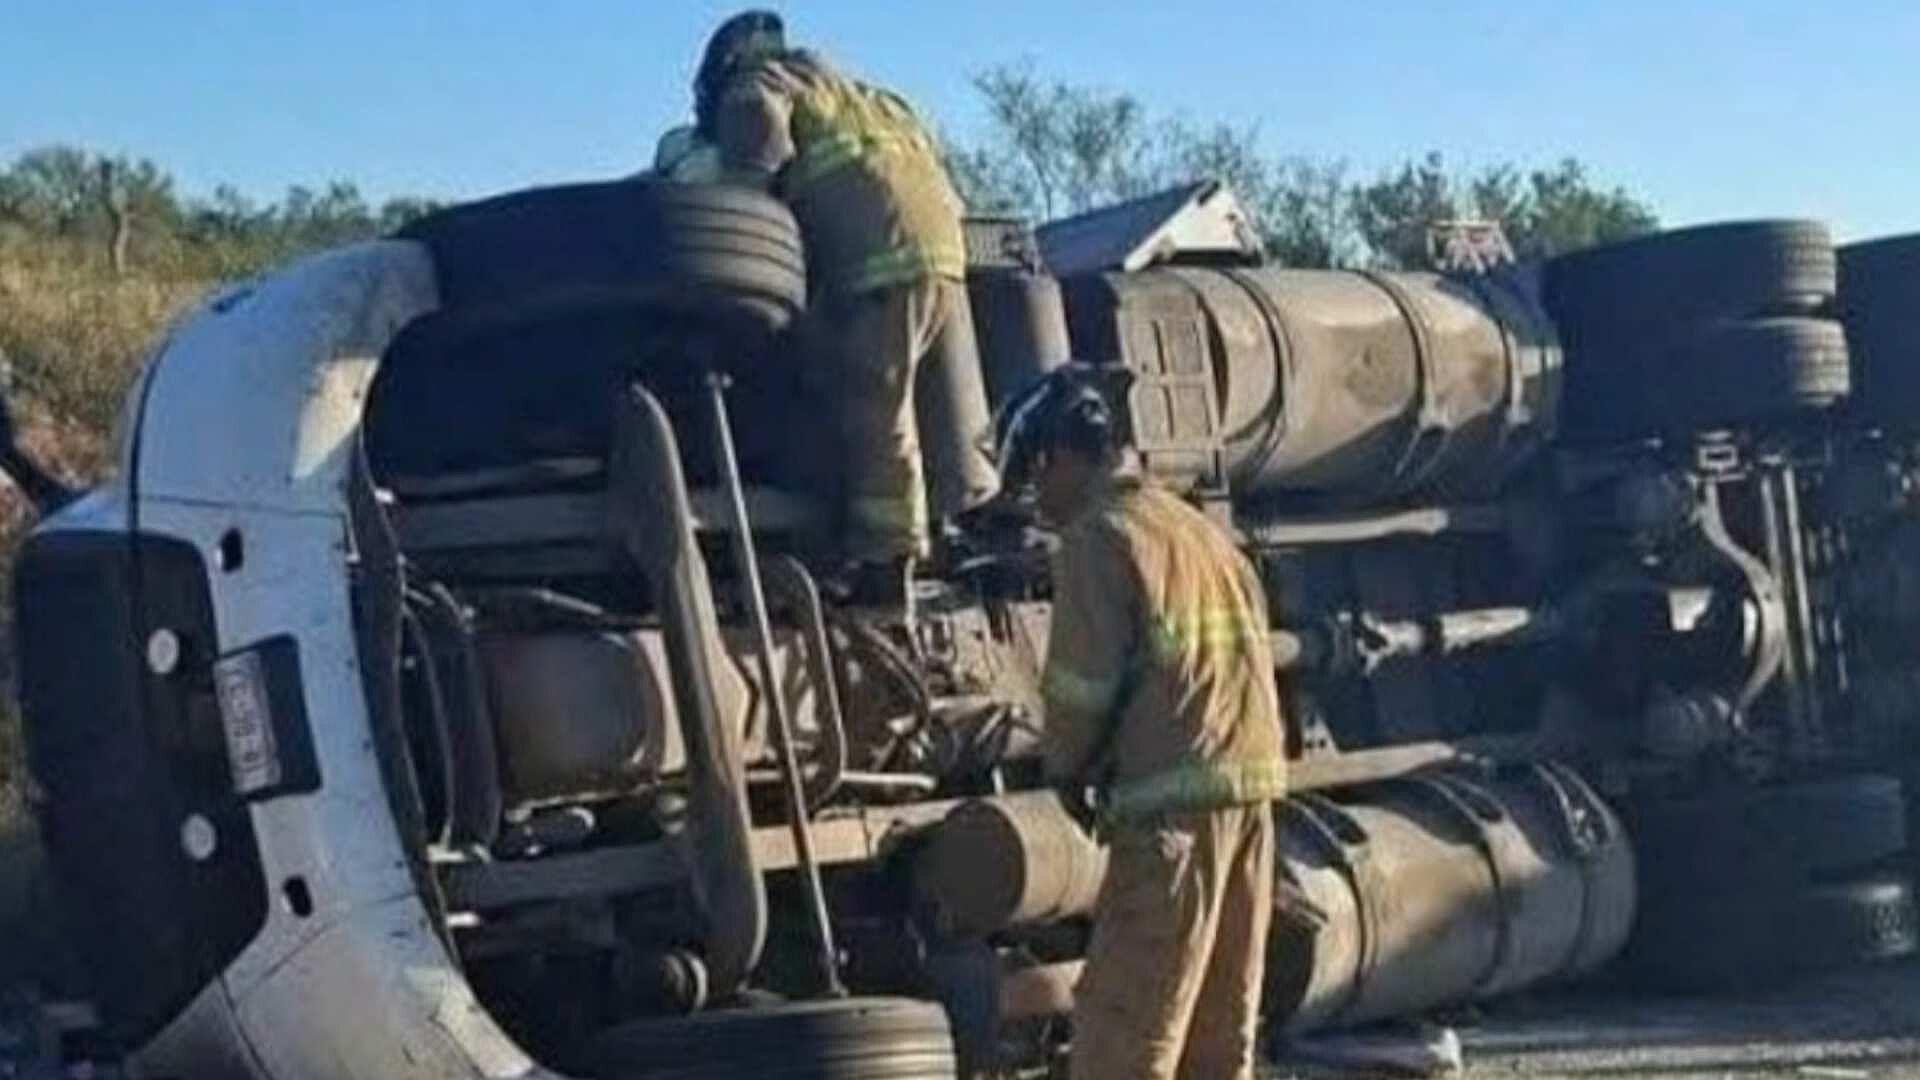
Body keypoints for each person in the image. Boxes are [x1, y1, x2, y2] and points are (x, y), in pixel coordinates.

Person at [991, 364, 1288, 1080]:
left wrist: (1063, 773)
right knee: (1219, 1040)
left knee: (1126, 1038)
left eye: (1035, 480)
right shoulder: (1195, 529)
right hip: (1249, 805)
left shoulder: (1099, 537)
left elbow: (1082, 691)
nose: (1039, 504)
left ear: (1058, 458)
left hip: (1172, 817)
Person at [692, 11, 972, 596]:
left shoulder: (758, 88)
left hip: (878, 265)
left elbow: (743, 203)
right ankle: (907, 534)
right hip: (942, 257)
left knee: (876, 409)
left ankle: (886, 564)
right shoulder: (870, 97)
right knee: (892, 403)